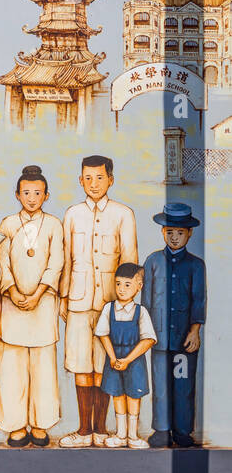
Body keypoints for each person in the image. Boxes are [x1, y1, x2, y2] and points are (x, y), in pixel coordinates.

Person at [59, 155, 137, 448]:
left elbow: (130, 261)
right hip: (78, 301)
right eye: (88, 178)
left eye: (100, 178)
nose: (93, 184)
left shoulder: (123, 214)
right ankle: (83, 430)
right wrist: (63, 299)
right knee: (81, 365)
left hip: (109, 302)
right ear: (80, 180)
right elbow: (66, 260)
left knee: (105, 365)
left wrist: (125, 303)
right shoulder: (72, 214)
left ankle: (101, 429)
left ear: (111, 180)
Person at [0, 165, 64, 447]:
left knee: (43, 369)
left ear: (46, 195)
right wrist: (10, 290)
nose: (31, 198)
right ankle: (15, 426)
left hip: (43, 305)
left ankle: (41, 424)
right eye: (26, 193)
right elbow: (2, 262)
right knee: (11, 369)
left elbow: (56, 263)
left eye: (37, 193)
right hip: (12, 306)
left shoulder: (54, 224)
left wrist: (38, 294)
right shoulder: (8, 224)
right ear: (17, 194)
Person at [141, 203, 205, 448]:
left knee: (183, 385)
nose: (174, 237)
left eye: (180, 233)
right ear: (162, 232)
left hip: (184, 338)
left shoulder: (196, 265)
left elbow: (199, 299)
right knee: (161, 384)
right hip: (158, 336)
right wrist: (145, 331)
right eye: (170, 232)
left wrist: (195, 331)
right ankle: (161, 430)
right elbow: (145, 299)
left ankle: (182, 431)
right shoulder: (153, 261)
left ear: (189, 234)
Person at [94, 263, 155, 449]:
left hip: (134, 360)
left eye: (127, 285)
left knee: (133, 396)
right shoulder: (108, 309)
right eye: (118, 284)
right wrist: (113, 358)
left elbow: (148, 340)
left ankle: (132, 435)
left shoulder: (140, 311)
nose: (121, 289)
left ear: (139, 286)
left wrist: (128, 359)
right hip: (114, 359)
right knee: (118, 395)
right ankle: (121, 435)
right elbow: (103, 334)